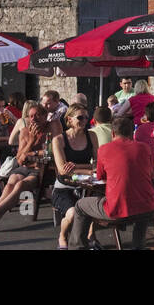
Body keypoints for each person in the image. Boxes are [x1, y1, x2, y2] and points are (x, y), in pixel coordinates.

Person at [66, 116, 154, 250]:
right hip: (149, 206)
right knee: (141, 204)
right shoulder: (145, 148)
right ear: (132, 133)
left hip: (118, 209)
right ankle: (138, 246)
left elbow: (101, 176)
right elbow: (150, 172)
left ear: (113, 133)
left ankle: (77, 247)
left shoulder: (104, 149)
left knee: (80, 206)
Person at [0, 102, 50, 232]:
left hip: (39, 169)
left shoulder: (50, 130)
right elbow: (20, 159)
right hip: (25, 167)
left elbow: (50, 151)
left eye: (37, 115)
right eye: (31, 116)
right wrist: (31, 141)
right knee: (10, 184)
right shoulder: (25, 132)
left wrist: (32, 152)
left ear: (44, 116)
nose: (33, 119)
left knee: (20, 185)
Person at [52, 104, 98, 249]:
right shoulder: (59, 140)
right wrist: (88, 170)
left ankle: (91, 236)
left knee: (99, 207)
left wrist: (77, 167)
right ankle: (63, 235)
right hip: (64, 188)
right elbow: (62, 170)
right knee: (72, 214)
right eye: (80, 117)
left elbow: (97, 165)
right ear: (69, 119)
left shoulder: (92, 135)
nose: (84, 120)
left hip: (87, 186)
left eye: (86, 117)